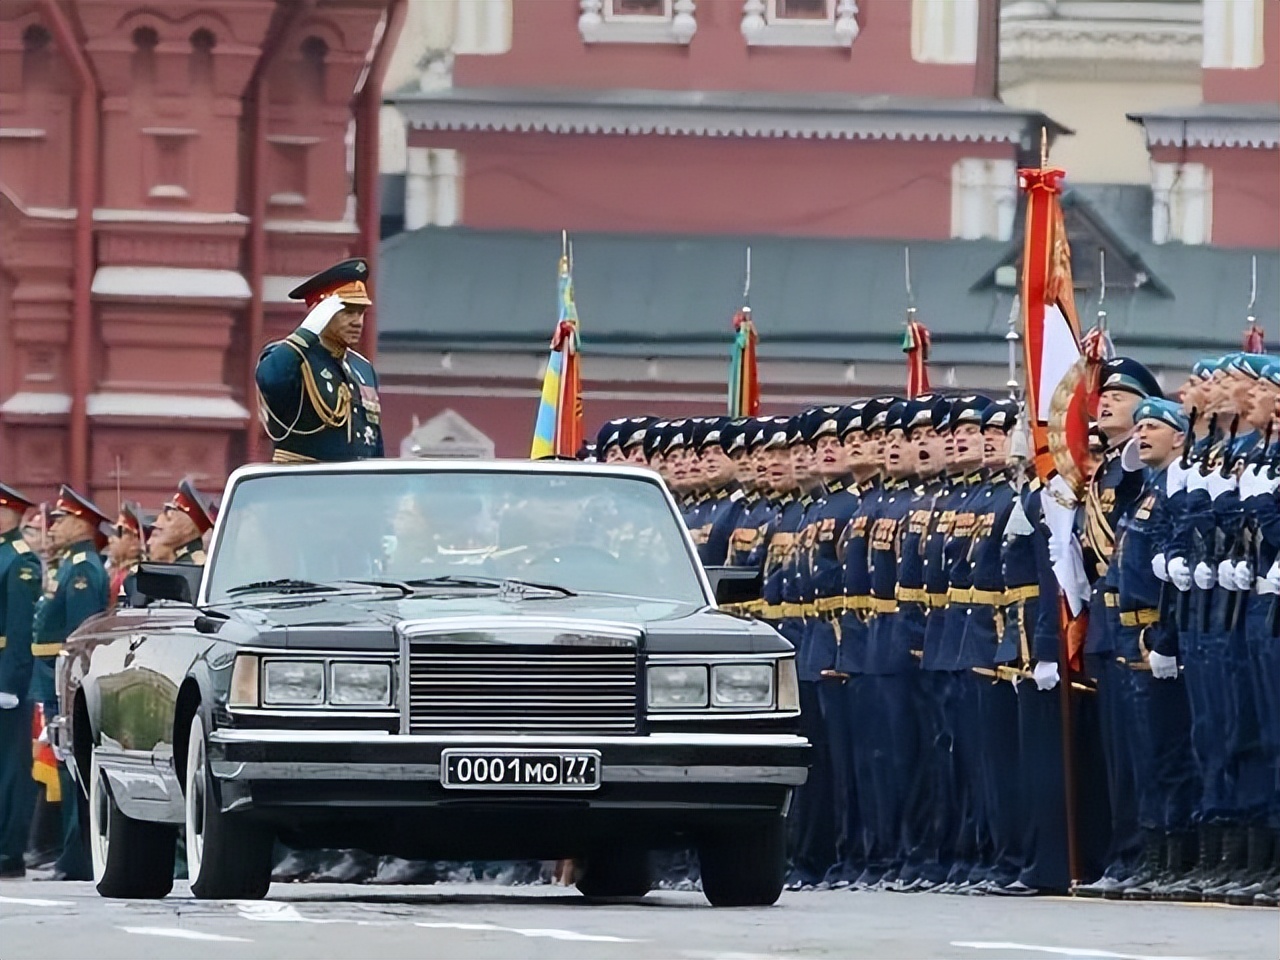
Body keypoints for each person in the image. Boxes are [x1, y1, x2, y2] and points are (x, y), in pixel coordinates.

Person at [30, 485, 110, 881]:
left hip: (64, 674)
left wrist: (69, 677)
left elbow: (81, 633)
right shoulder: (71, 564)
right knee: (64, 765)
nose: (54, 527)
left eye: (61, 520)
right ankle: (70, 854)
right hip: (50, 673)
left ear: (81, 524)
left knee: (73, 765)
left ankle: (77, 857)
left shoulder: (82, 569)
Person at [256, 257, 384, 463]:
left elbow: (375, 446)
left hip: (357, 487)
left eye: (361, 313)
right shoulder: (294, 358)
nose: (358, 322)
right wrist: (306, 333)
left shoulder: (362, 369)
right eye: (348, 312)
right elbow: (270, 379)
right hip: (305, 485)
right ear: (320, 314)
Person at [0, 484, 40, 879]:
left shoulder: (19, 560)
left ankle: (9, 850)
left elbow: (18, 626)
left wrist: (10, 682)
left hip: (4, 673)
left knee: (11, 766)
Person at [153, 479, 215, 565]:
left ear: (188, 529)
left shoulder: (196, 565)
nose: (158, 523)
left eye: (169, 518)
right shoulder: (175, 559)